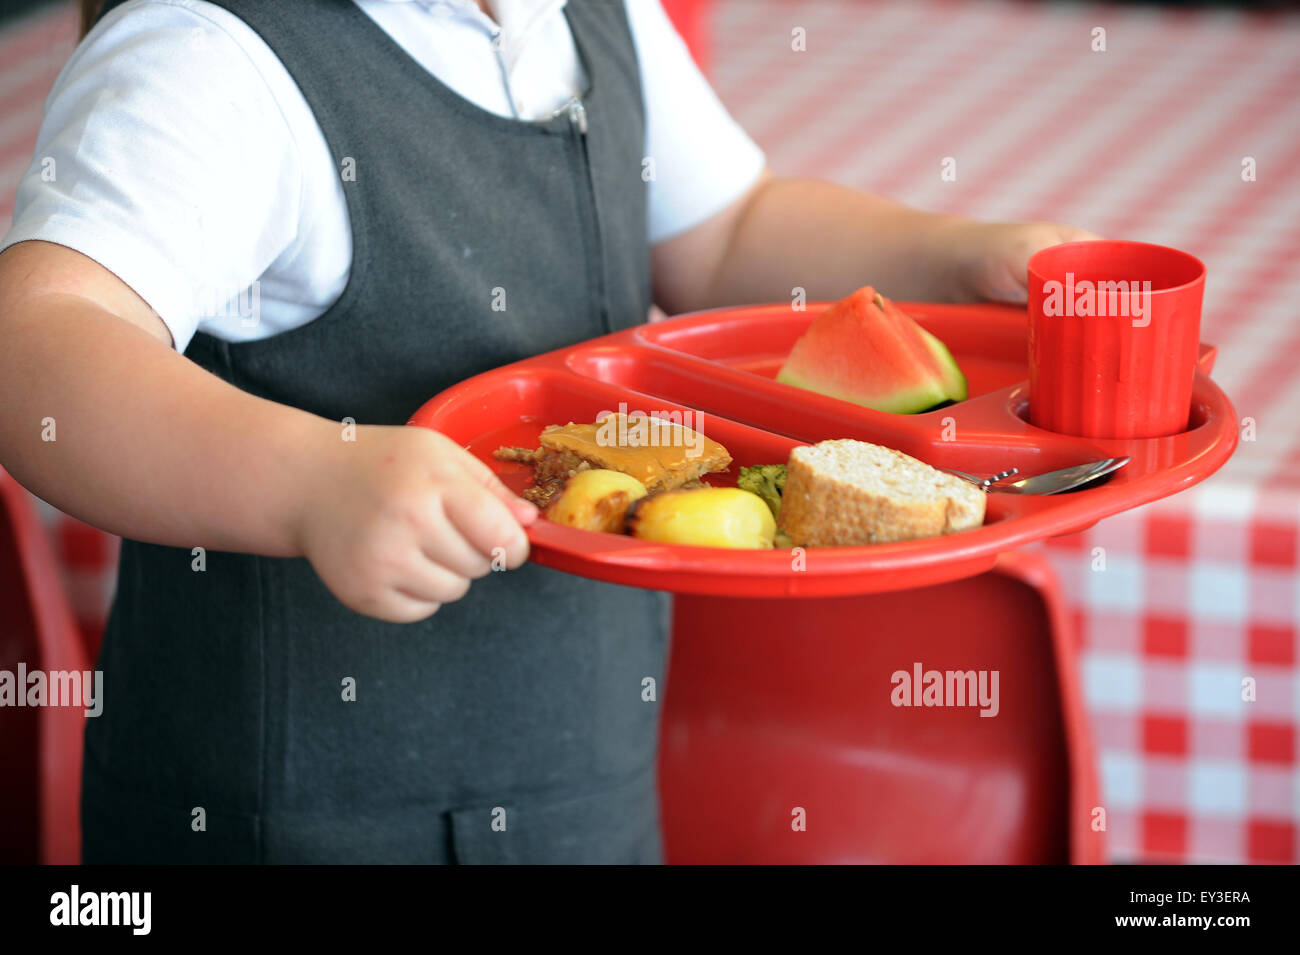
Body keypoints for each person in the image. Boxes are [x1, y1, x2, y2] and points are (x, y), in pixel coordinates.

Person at [0, 0, 1096, 863]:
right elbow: (36, 343)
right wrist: (307, 480)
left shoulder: (585, 15)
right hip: (293, 815)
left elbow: (726, 231)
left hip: (581, 782)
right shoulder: (208, 57)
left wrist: (948, 257)